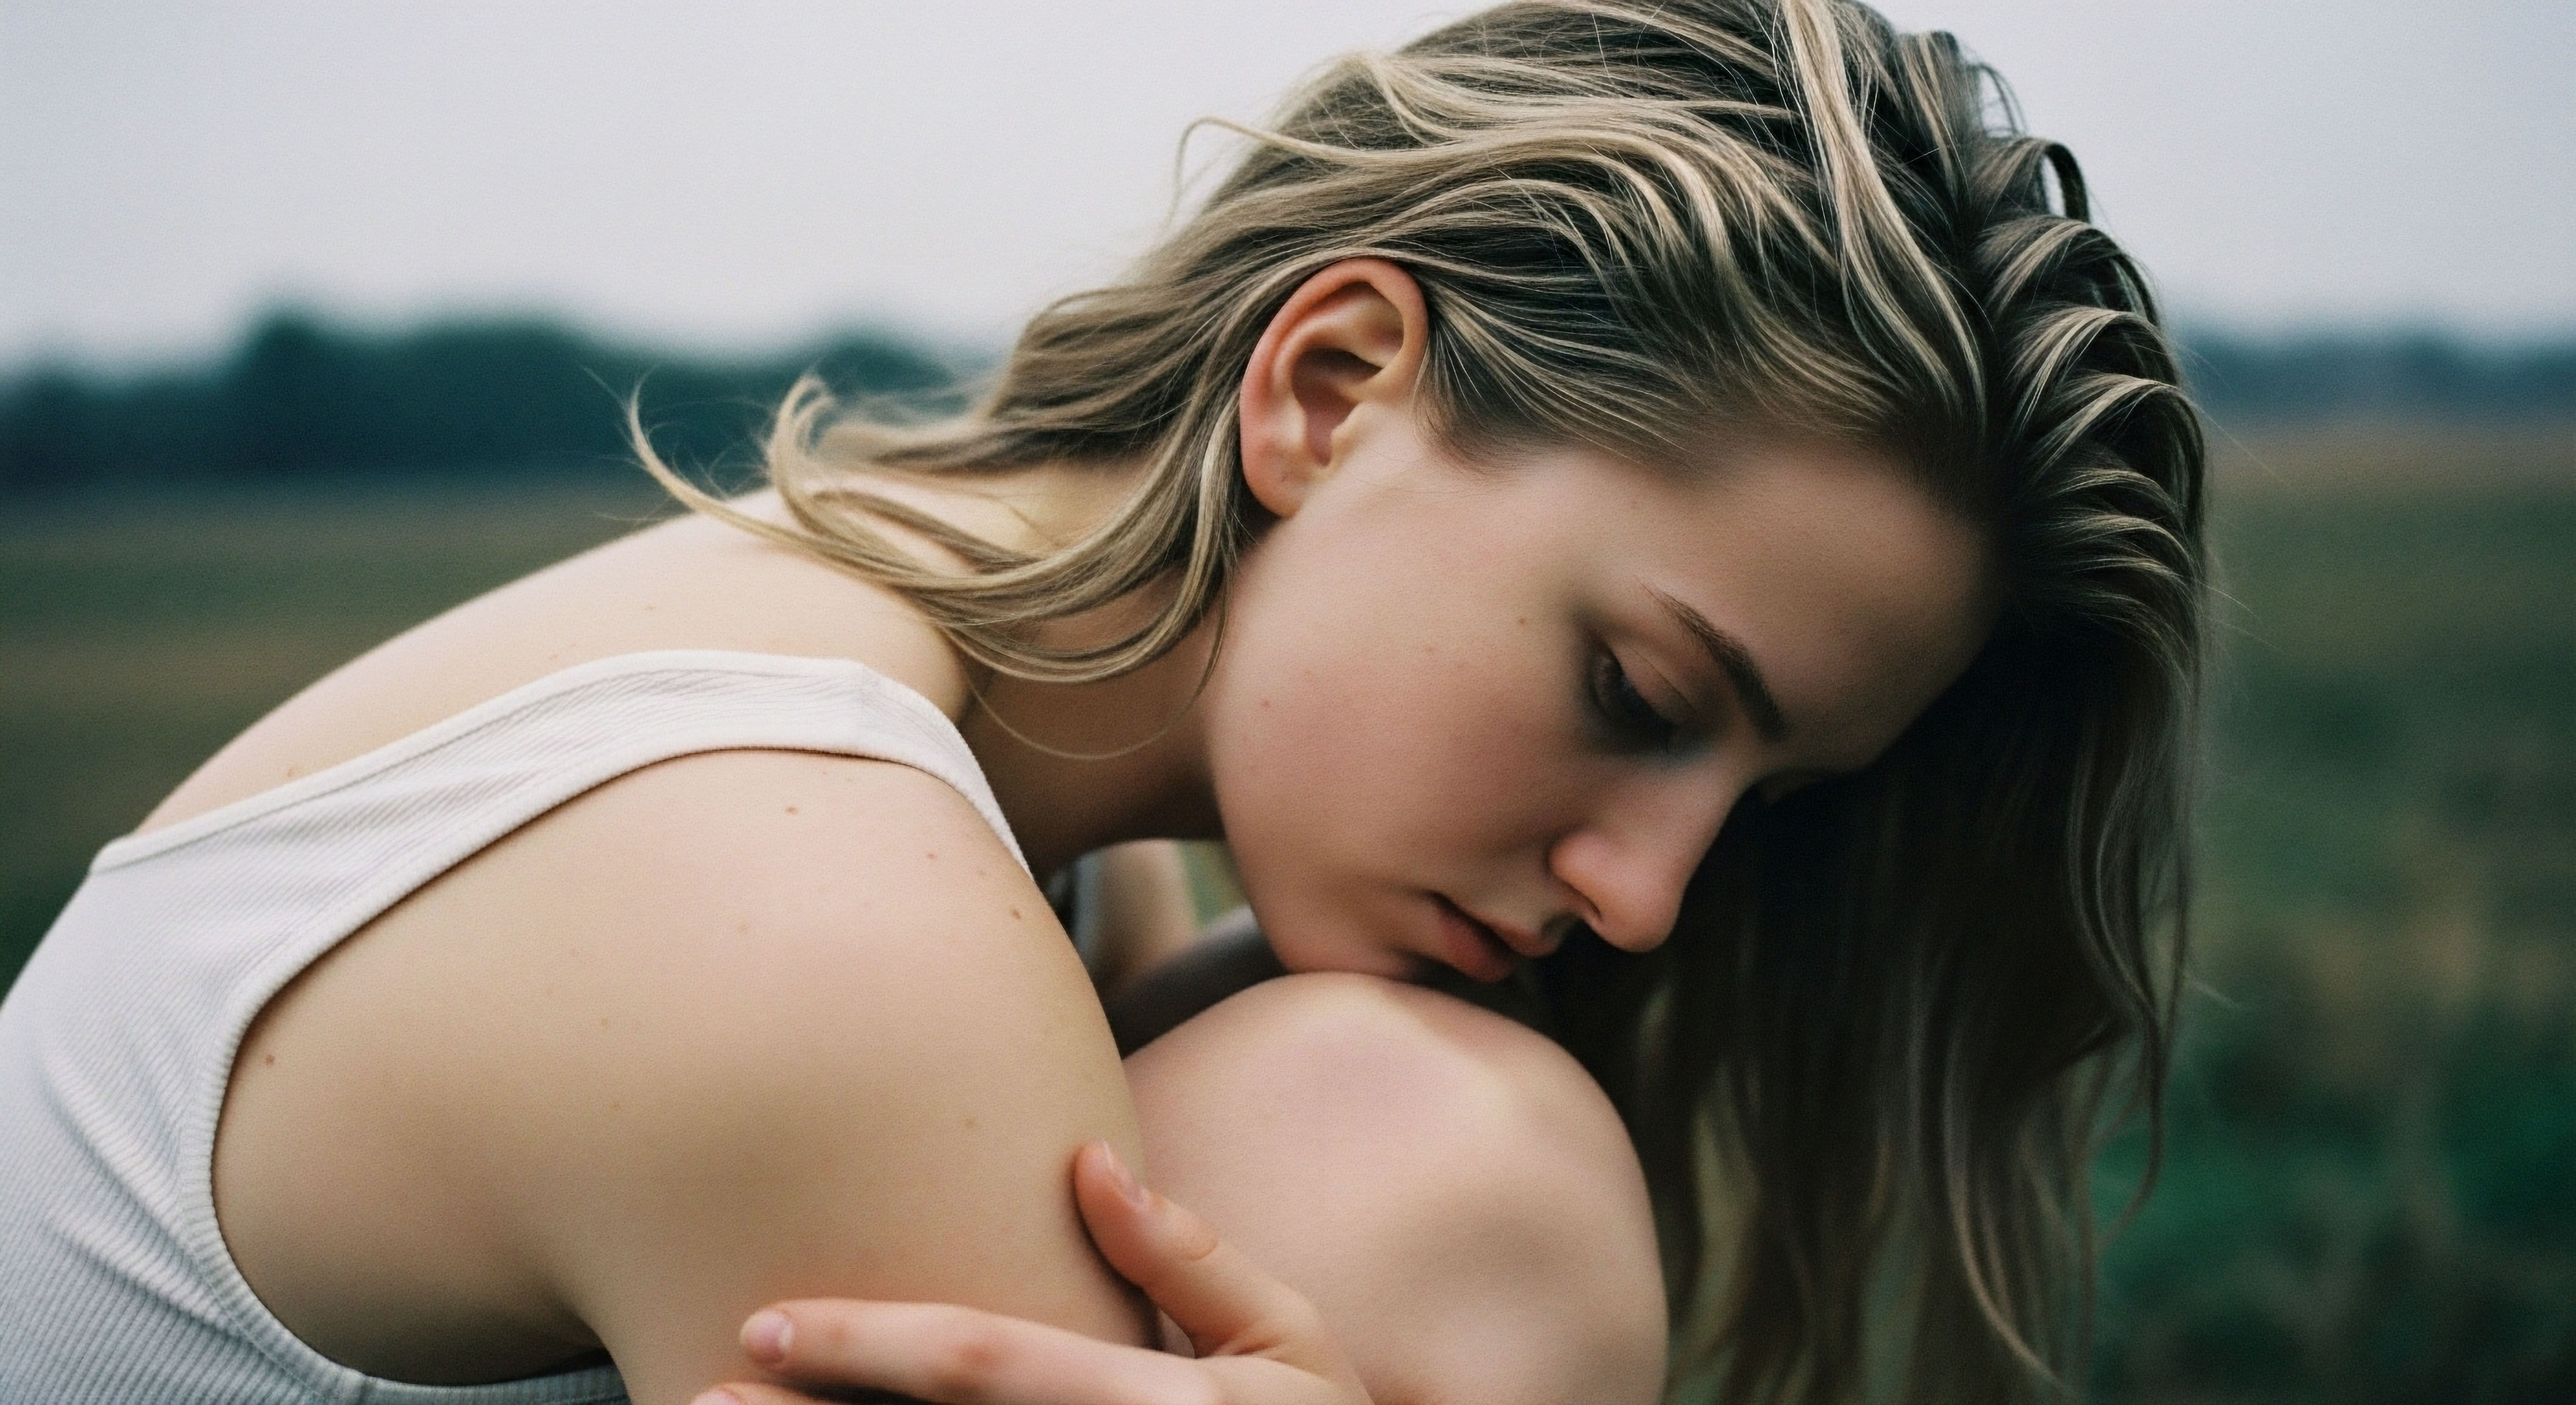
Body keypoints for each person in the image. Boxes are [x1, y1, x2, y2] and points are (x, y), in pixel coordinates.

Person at [0, 1, 2205, 1402]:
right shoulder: (822, 905)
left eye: (1773, 799)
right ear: (1331, 393)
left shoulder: (965, 715)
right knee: (1460, 1172)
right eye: (1636, 691)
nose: (1649, 900)